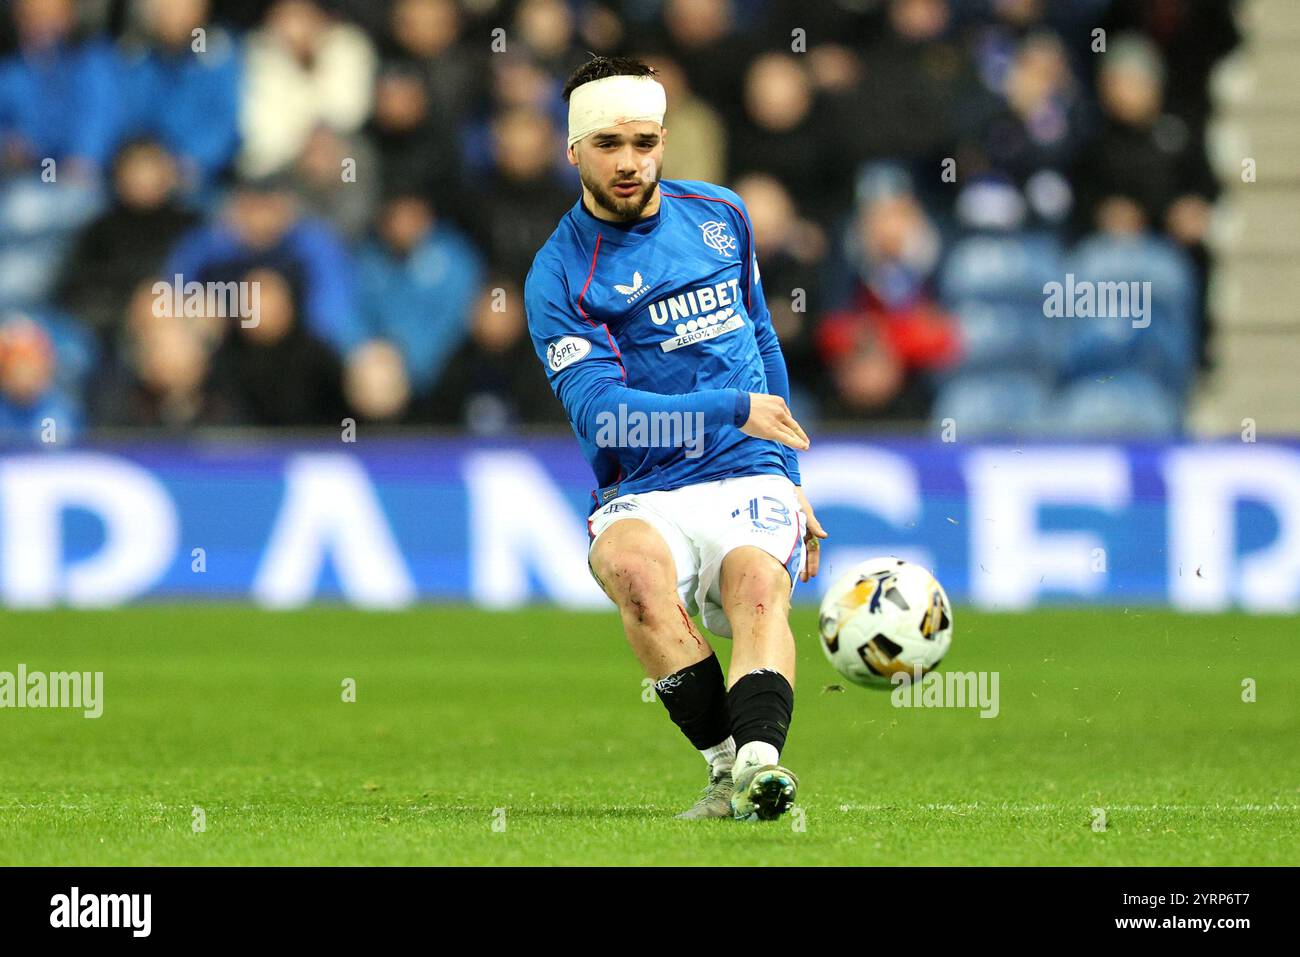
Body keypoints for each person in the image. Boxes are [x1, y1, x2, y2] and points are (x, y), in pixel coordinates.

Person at [523, 56, 826, 822]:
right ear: (574, 152)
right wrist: (730, 406)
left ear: (663, 139)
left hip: (748, 465)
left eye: (644, 141)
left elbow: (760, 338)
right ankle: (726, 770)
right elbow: (606, 417)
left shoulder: (722, 214)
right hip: (647, 484)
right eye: (608, 144)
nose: (629, 161)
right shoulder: (559, 276)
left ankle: (761, 766)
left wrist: (789, 475)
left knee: (758, 582)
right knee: (627, 565)